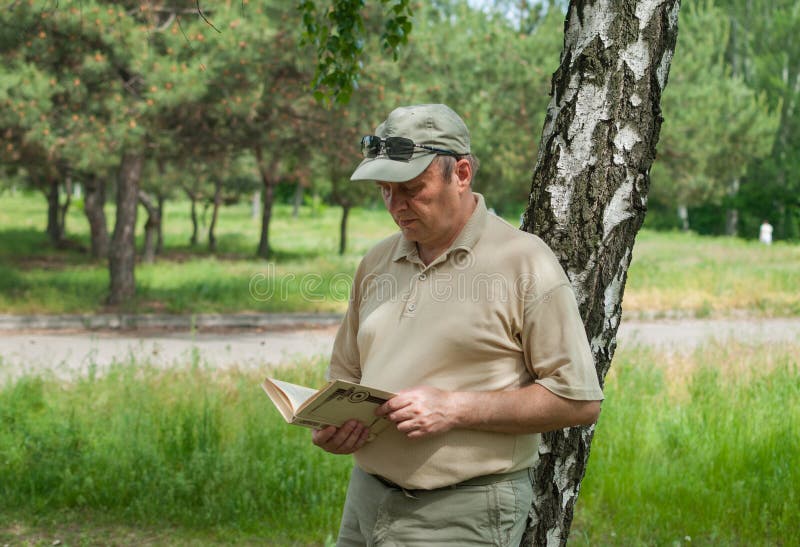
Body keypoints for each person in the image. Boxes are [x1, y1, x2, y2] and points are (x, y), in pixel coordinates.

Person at [312, 104, 603, 546]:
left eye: (411, 188)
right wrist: (335, 426)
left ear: (461, 173)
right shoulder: (376, 262)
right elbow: (346, 377)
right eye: (385, 191)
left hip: (465, 512)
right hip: (367, 502)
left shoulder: (524, 262)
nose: (397, 206)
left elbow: (578, 400)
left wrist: (454, 409)